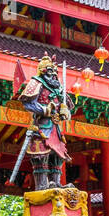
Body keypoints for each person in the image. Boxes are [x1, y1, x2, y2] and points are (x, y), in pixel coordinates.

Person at [17, 55, 73, 190]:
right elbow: (28, 103)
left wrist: (66, 113)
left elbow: (68, 107)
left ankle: (56, 183)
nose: (53, 75)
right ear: (42, 71)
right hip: (42, 126)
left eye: (55, 72)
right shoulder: (36, 83)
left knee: (58, 156)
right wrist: (45, 110)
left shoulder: (59, 89)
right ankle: (42, 185)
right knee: (41, 155)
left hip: (55, 127)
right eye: (50, 71)